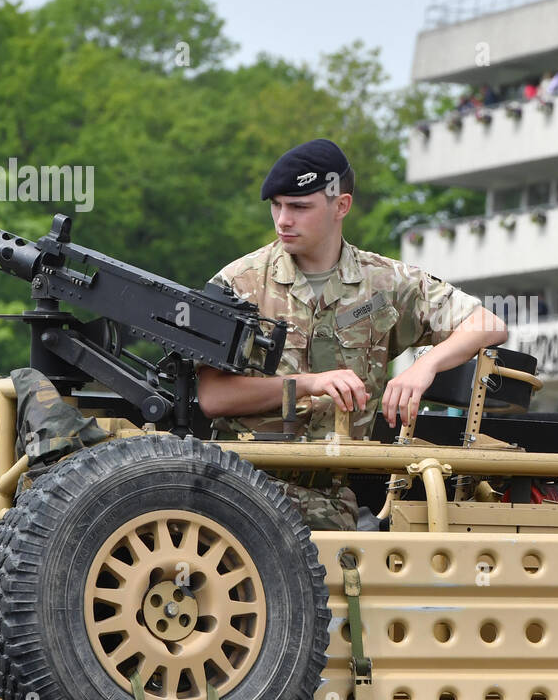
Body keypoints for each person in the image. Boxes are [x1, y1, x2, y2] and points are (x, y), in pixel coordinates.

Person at [198, 139, 507, 530]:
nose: (282, 220)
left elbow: (489, 324)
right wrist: (308, 384)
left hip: (331, 503)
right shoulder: (237, 284)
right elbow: (212, 396)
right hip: (240, 495)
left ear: (340, 206)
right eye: (277, 205)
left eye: (299, 207)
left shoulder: (386, 284)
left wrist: (424, 366)